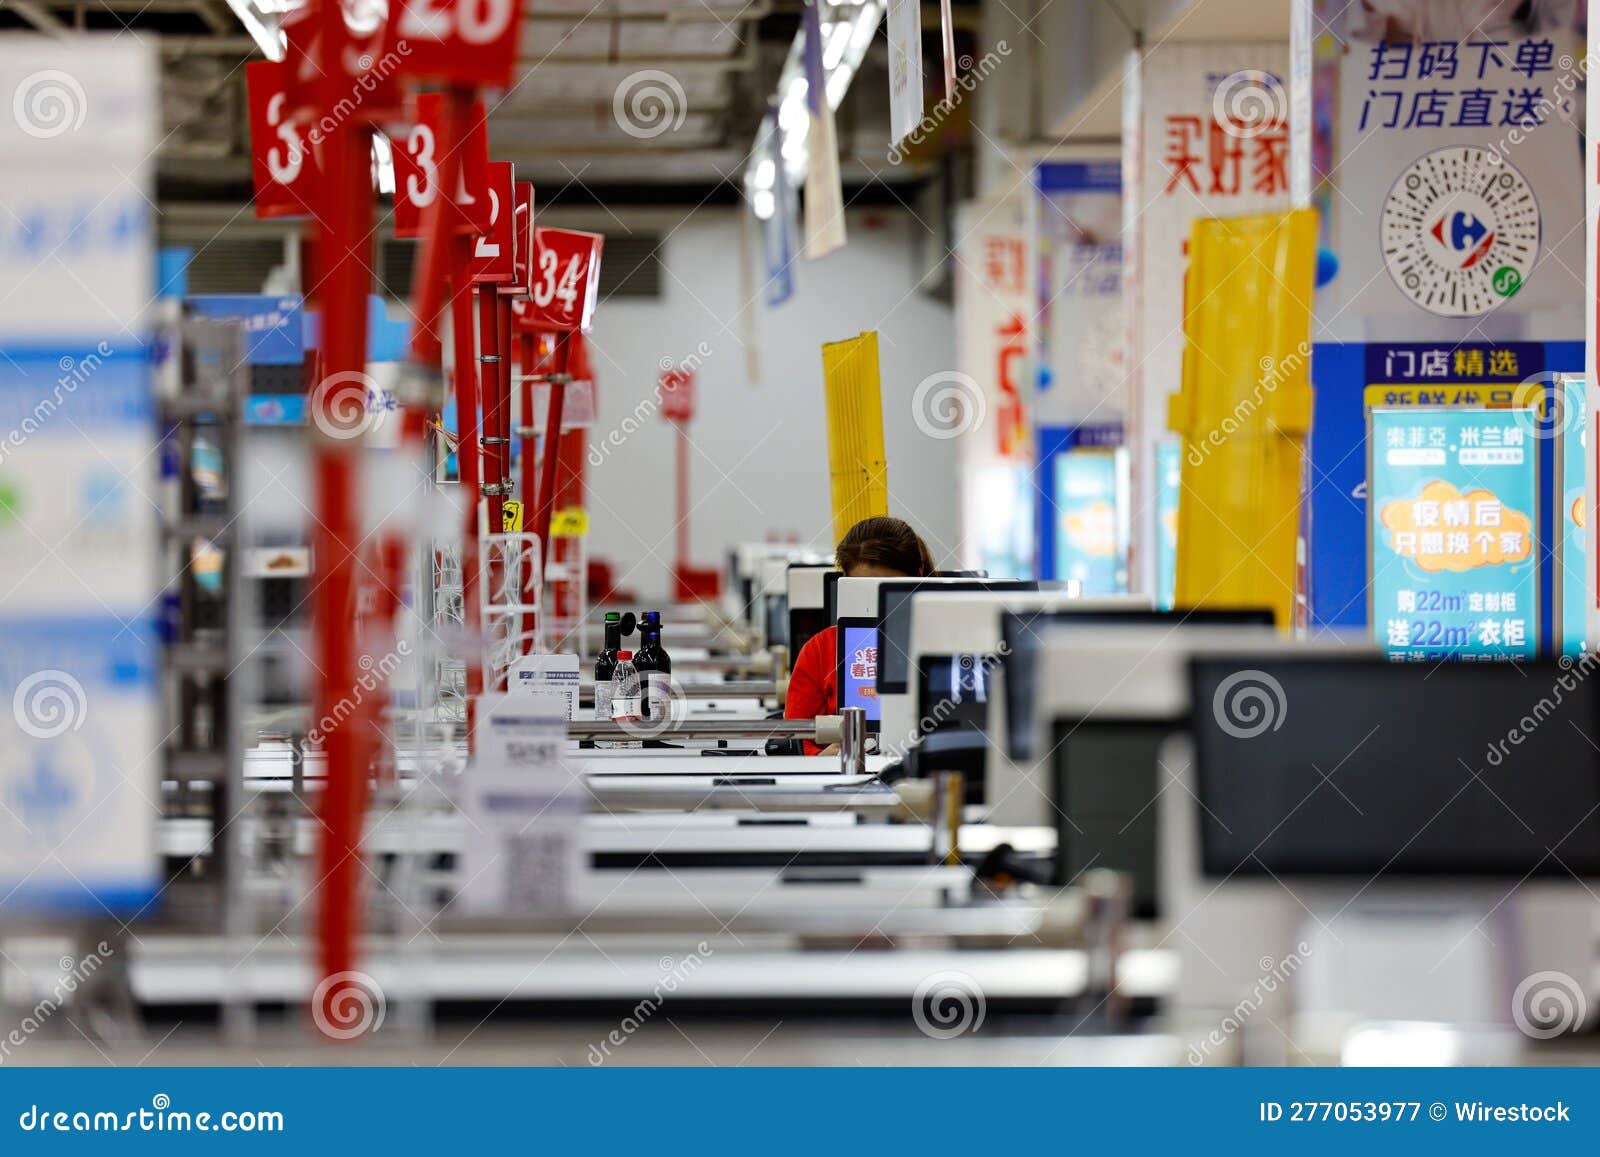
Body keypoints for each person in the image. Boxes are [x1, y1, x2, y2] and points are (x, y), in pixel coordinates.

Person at [784, 516, 935, 754]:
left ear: (918, 575)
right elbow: (794, 742)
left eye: (889, 590)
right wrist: (820, 759)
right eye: (864, 591)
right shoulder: (819, 650)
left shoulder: (942, 644)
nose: (879, 605)